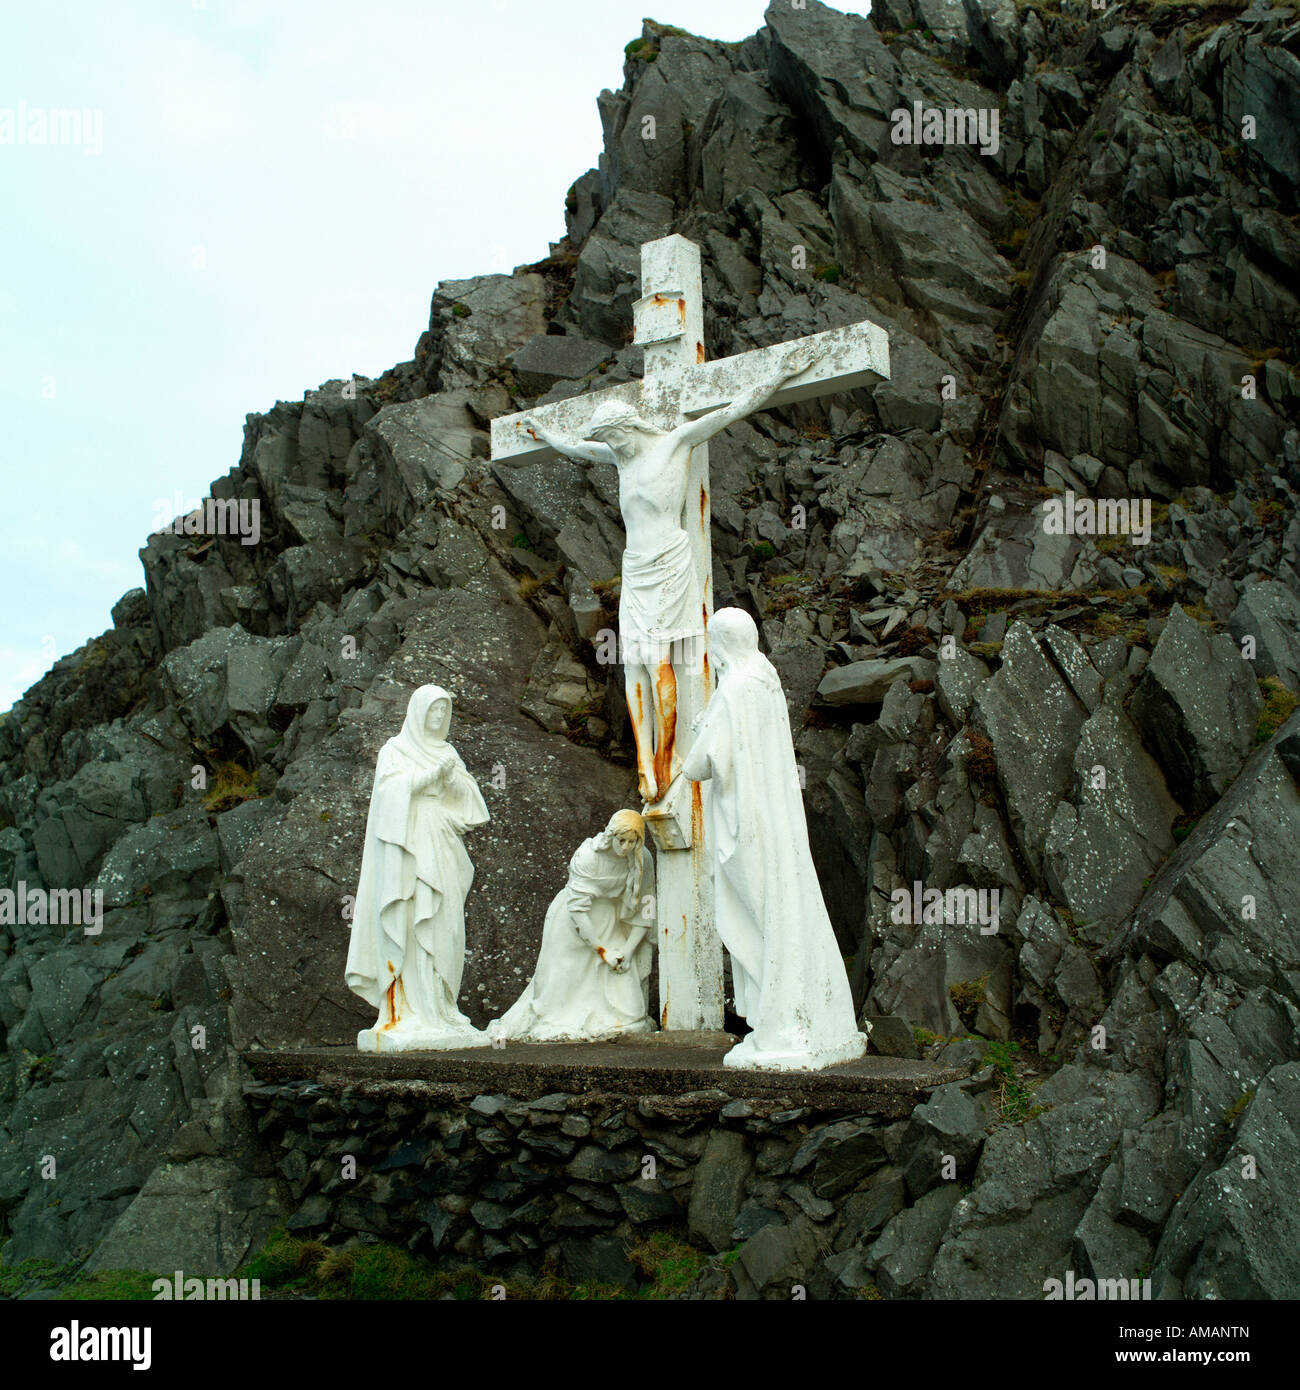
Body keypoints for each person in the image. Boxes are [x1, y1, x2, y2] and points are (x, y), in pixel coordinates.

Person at [681, 609, 868, 1070]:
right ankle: (817, 1022)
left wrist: (700, 729)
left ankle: (781, 1026)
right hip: (777, 824)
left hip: (745, 829)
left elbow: (698, 765)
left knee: (758, 922)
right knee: (788, 911)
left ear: (720, 644)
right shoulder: (766, 678)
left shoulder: (734, 688)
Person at [346, 685, 490, 1051]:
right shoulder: (394, 751)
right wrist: (426, 778)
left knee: (446, 922)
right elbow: (387, 797)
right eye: (434, 711)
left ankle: (442, 1005)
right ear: (418, 712)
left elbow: (473, 804)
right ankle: (408, 1010)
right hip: (407, 848)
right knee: (411, 919)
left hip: (442, 842)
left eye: (445, 712)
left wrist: (452, 779)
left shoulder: (449, 752)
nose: (440, 718)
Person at [490, 809, 655, 1043]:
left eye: (632, 841)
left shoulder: (642, 859)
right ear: (610, 836)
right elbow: (578, 909)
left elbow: (647, 906)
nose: (626, 847)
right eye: (622, 841)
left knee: (628, 1007)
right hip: (574, 924)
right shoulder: (588, 855)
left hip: (613, 921)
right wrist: (602, 950)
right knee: (563, 993)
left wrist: (627, 950)